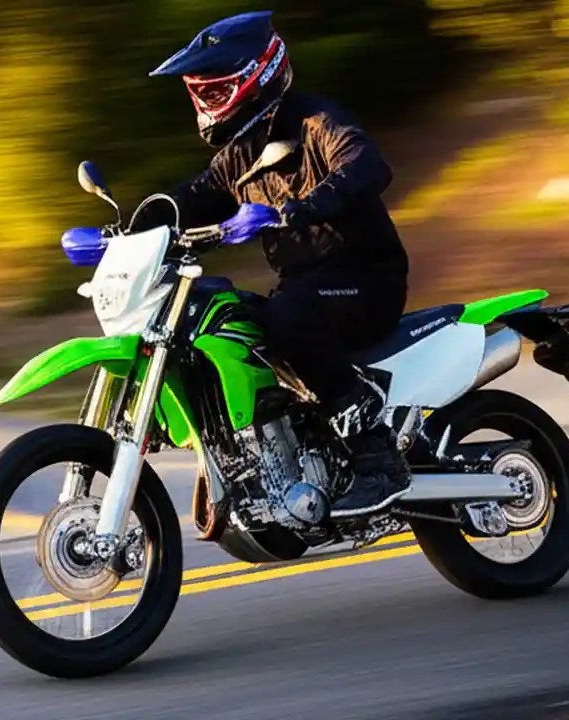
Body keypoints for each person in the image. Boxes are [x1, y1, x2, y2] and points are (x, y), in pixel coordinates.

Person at [141, 10, 412, 517]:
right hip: (306, 285)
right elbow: (192, 198)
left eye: (215, 92)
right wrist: (127, 230)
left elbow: (368, 165)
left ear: (257, 75)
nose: (206, 105)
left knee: (289, 316)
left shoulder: (316, 122)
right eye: (200, 94)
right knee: (227, 320)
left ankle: (377, 454)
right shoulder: (240, 154)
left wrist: (303, 207)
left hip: (365, 278)